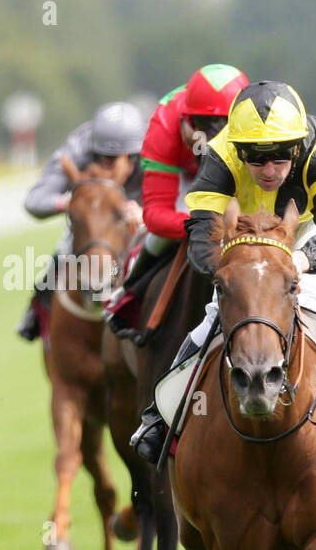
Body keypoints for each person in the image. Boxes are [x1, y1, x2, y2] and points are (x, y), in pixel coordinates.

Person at [129, 80, 316, 465]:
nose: (269, 170)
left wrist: (300, 262)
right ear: (238, 150)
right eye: (255, 159)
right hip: (240, 241)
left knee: (314, 314)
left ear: (297, 145)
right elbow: (202, 241)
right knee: (211, 322)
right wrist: (239, 269)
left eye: (279, 157)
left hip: (303, 238)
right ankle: (159, 419)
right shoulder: (220, 153)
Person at [104, 64, 249, 342]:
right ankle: (128, 296)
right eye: (204, 130)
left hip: (236, 179)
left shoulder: (254, 127)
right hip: (185, 177)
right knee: (160, 237)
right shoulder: (165, 123)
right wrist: (204, 224)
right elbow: (157, 216)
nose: (211, 142)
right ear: (186, 120)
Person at [16, 102, 145, 341]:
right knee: (63, 252)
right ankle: (36, 312)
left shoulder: (153, 151)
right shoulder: (77, 147)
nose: (109, 165)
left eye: (117, 159)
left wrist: (147, 213)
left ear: (135, 155)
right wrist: (75, 204)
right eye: (102, 158)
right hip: (92, 225)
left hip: (139, 221)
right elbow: (35, 200)